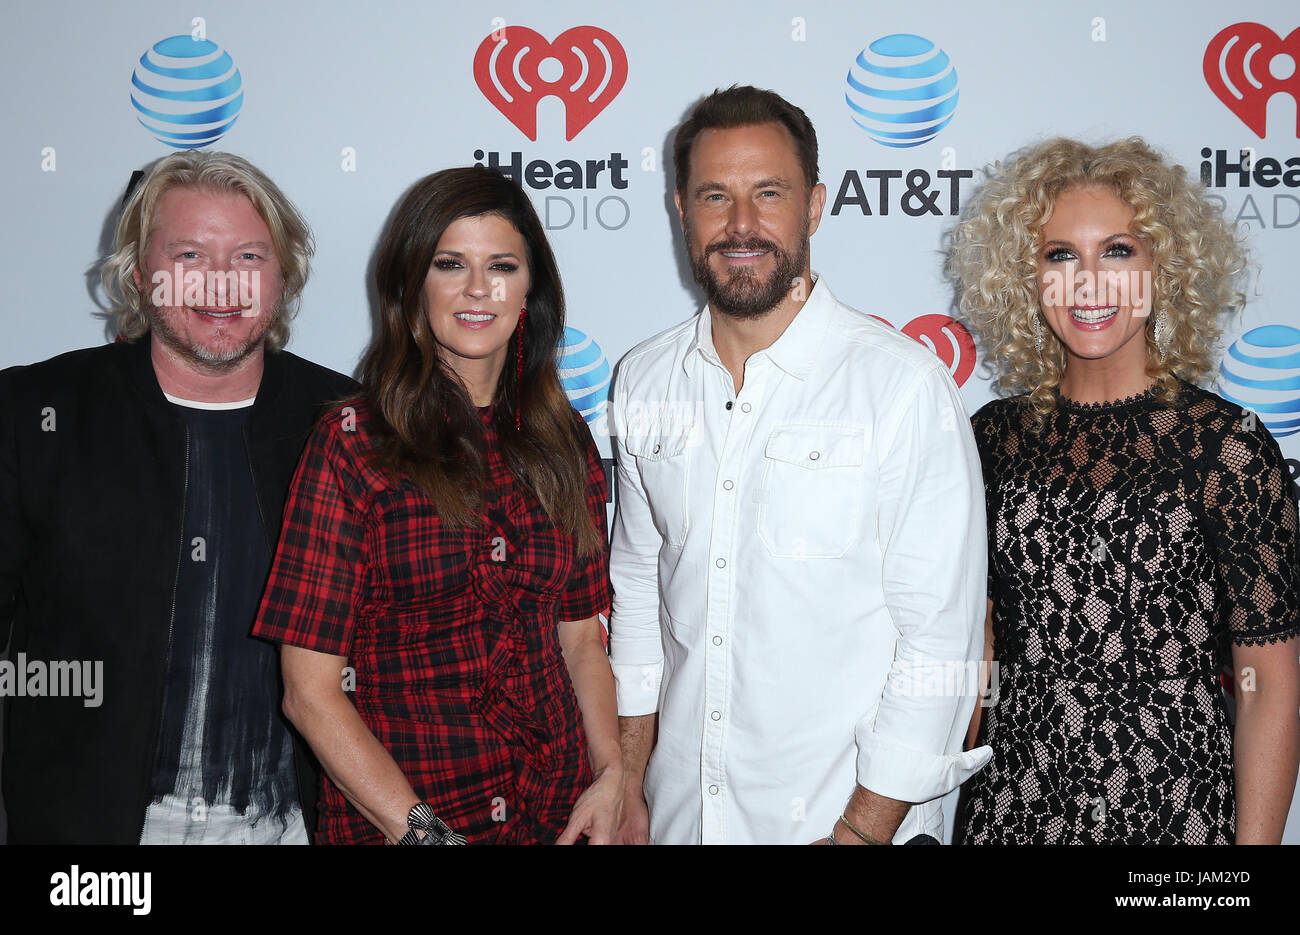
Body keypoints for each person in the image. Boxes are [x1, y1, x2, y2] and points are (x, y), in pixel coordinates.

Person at [609, 85, 991, 845]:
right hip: (681, 822)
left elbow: (941, 639)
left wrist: (861, 831)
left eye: (768, 194)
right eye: (715, 196)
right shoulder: (643, 379)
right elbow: (639, 591)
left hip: (842, 825)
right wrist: (627, 777)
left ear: (813, 206)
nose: (741, 224)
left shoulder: (901, 387)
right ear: (681, 212)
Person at [251, 166, 620, 845]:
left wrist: (612, 775)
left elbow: (581, 639)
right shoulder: (353, 443)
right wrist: (428, 835)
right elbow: (309, 693)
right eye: (451, 263)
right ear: (412, 282)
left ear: (529, 287)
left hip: (558, 818)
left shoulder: (562, 437)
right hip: (411, 826)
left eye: (501, 265)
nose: (478, 288)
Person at [950, 137, 1300, 844]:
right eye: (1059, 256)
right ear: (1027, 278)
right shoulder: (994, 438)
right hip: (1015, 808)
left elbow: (1270, 681)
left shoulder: (1228, 446)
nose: (1088, 283)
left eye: (1117, 251)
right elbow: (974, 649)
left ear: (1162, 268)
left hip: (1174, 816)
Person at [0, 151, 357, 843]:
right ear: (138, 272)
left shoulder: (348, 422)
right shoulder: (34, 414)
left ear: (283, 277)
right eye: (189, 253)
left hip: (300, 827)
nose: (222, 283)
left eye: (250, 256)